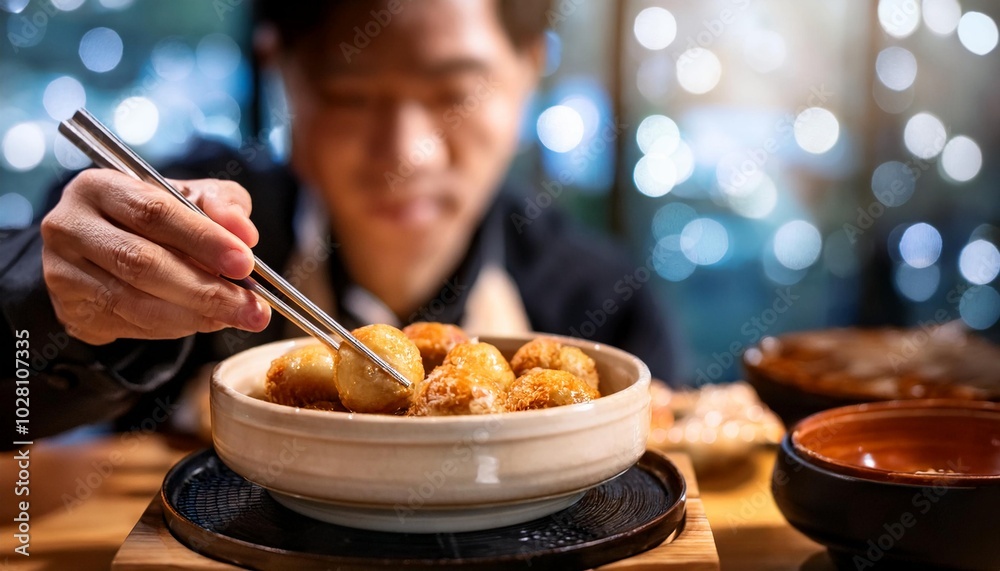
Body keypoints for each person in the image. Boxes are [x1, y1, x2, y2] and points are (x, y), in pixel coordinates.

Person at [0, 0, 677, 442]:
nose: (405, 154)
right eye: (351, 95)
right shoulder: (189, 229)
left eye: (454, 93)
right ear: (279, 70)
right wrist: (49, 298)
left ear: (531, 70)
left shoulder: (603, 306)